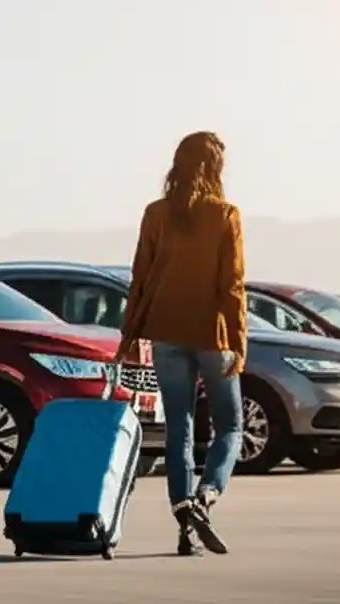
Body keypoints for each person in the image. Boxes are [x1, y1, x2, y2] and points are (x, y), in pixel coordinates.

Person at [116, 130, 247, 557]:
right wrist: (239, 342)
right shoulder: (225, 215)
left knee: (179, 431)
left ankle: (184, 522)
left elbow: (140, 277)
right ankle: (207, 495)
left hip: (166, 333)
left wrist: (129, 334)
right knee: (230, 426)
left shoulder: (156, 214)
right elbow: (232, 286)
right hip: (213, 334)